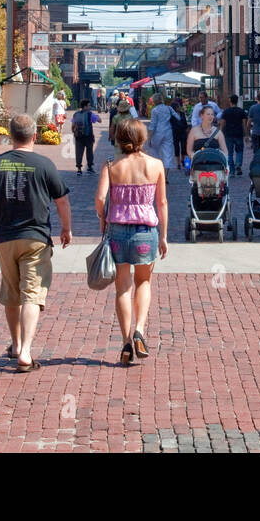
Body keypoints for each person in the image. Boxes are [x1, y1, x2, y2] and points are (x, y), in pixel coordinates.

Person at [0, 114, 72, 373]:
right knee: (32, 294)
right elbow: (62, 201)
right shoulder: (44, 165)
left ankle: (15, 344)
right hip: (36, 237)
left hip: (5, 237)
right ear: (34, 136)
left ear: (11, 136)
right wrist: (66, 228)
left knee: (11, 294)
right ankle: (25, 351)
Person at [95, 117, 168, 366]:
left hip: (118, 230)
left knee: (122, 287)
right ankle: (140, 330)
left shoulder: (111, 165)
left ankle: (126, 341)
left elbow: (100, 199)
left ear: (119, 137)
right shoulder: (156, 165)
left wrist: (103, 220)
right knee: (144, 281)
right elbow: (162, 204)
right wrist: (164, 236)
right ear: (142, 138)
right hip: (146, 231)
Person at [219, 95, 249, 176]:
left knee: (229, 153)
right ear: (237, 101)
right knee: (239, 151)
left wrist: (220, 134)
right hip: (239, 133)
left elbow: (222, 124)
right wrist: (246, 135)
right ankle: (238, 164)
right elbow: (244, 124)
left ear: (230, 101)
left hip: (228, 134)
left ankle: (231, 171)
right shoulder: (241, 111)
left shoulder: (226, 111)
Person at [146, 93, 177, 166]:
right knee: (168, 154)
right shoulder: (169, 108)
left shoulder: (155, 110)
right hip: (168, 132)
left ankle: (157, 168)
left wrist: (149, 138)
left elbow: (152, 125)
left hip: (157, 133)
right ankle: (165, 175)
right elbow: (177, 117)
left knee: (154, 151)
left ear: (154, 101)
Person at [71, 98, 100, 176]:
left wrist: (75, 133)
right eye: (89, 105)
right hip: (88, 136)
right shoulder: (90, 114)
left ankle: (79, 169)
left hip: (79, 136)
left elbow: (73, 126)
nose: (90, 107)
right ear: (85, 106)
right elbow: (99, 120)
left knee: (79, 152)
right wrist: (97, 116)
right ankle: (90, 167)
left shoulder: (76, 114)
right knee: (89, 152)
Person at [170, 95, 190, 169]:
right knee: (176, 148)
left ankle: (182, 160)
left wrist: (186, 129)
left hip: (183, 132)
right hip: (175, 133)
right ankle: (178, 163)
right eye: (178, 106)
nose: (179, 107)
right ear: (175, 108)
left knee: (183, 147)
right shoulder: (171, 115)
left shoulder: (182, 113)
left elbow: (185, 122)